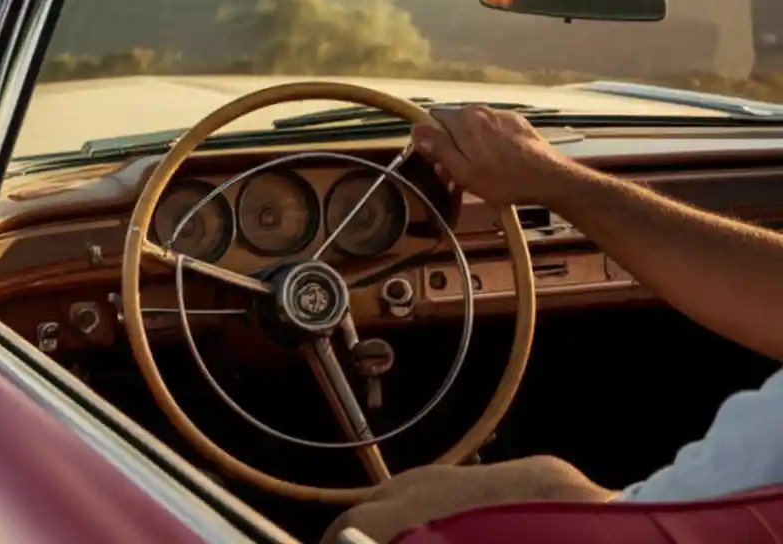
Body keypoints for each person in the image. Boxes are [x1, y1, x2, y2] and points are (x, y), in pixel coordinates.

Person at [325, 105, 783, 544]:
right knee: (540, 476)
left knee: (369, 525)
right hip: (705, 513)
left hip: (677, 527)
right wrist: (550, 178)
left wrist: (552, 177)